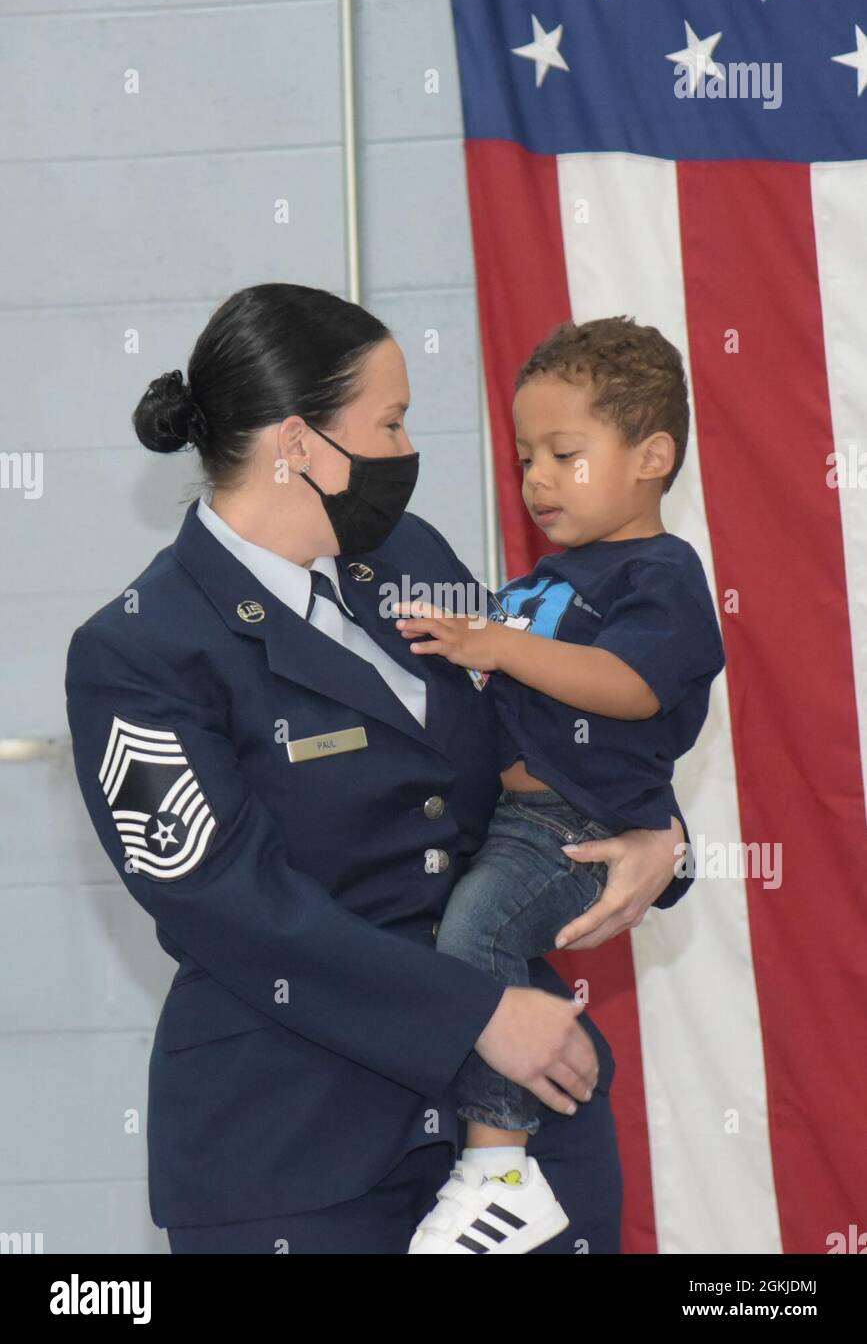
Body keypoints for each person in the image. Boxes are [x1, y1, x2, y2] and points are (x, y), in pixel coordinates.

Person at [64, 284, 691, 1255]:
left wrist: (662, 839)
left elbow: (548, 728)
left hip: (521, 1128)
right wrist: (477, 1011)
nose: (407, 451)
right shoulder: (141, 651)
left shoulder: (408, 557)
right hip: (297, 1149)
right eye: (389, 422)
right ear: (299, 443)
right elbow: (233, 904)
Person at [396, 317, 725, 1254]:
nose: (536, 477)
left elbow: (630, 685)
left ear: (653, 455)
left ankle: (499, 1175)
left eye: (564, 453)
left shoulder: (660, 572)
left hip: (573, 828)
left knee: (476, 934)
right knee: (465, 940)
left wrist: (499, 643)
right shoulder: (548, 577)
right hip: (515, 819)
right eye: (524, 455)